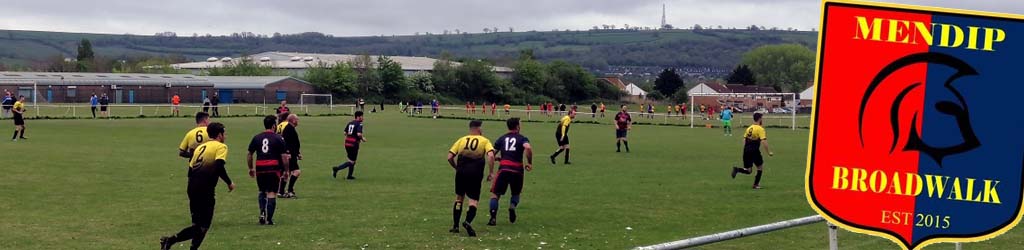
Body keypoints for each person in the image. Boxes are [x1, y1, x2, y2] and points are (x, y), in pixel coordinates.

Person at [159, 123, 236, 250]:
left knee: (197, 224)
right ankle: (170, 240)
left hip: (192, 187)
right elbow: (219, 166)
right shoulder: (221, 147)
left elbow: (190, 171)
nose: (226, 136)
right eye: (225, 133)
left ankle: (190, 247)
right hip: (205, 190)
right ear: (219, 135)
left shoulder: (200, 148)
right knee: (203, 226)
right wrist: (229, 183)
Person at [446, 120, 495, 237]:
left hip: (461, 172)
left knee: (459, 198)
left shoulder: (462, 140)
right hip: (475, 174)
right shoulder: (484, 141)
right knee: (473, 200)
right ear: (478, 129)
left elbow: (449, 157)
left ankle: (456, 226)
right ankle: (467, 222)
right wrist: (491, 172)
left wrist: (456, 167)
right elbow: (491, 155)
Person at [488, 118, 532, 226]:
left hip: (504, 169)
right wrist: (529, 162)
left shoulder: (502, 138)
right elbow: (528, 148)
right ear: (517, 126)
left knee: (495, 194)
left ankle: (493, 218)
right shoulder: (522, 138)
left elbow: (491, 153)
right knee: (516, 193)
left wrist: (498, 158)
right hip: (517, 170)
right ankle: (512, 206)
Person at [247, 116, 289, 225]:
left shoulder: (257, 137)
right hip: (273, 167)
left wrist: (251, 168)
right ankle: (269, 219)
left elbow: (249, 154)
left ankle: (262, 213)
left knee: (262, 191)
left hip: (260, 167)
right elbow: (284, 157)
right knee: (271, 192)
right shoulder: (279, 138)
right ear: (274, 126)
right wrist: (286, 171)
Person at [731, 113, 774, 189]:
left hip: (747, 150)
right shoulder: (760, 129)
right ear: (760, 119)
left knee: (748, 170)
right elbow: (764, 141)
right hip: (754, 151)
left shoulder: (749, 128)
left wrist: (746, 149)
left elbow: (744, 139)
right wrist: (768, 152)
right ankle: (756, 184)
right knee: (760, 167)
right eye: (762, 118)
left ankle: (737, 169)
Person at [334, 111, 367, 180]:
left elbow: (344, 132)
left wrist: (350, 136)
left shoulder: (350, 123)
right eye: (362, 116)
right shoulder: (359, 124)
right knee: (352, 162)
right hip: (354, 144)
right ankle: (337, 168)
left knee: (351, 160)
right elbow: (359, 134)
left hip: (347, 143)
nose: (363, 118)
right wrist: (362, 139)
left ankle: (349, 176)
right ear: (358, 117)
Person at [277, 114, 302, 198]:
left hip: (292, 154)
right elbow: (286, 142)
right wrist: (288, 153)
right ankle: (290, 190)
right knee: (296, 172)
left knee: (286, 172)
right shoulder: (289, 129)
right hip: (290, 155)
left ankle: (281, 191)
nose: (298, 121)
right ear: (293, 120)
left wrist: (297, 153)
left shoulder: (290, 128)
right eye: (297, 120)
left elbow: (293, 143)